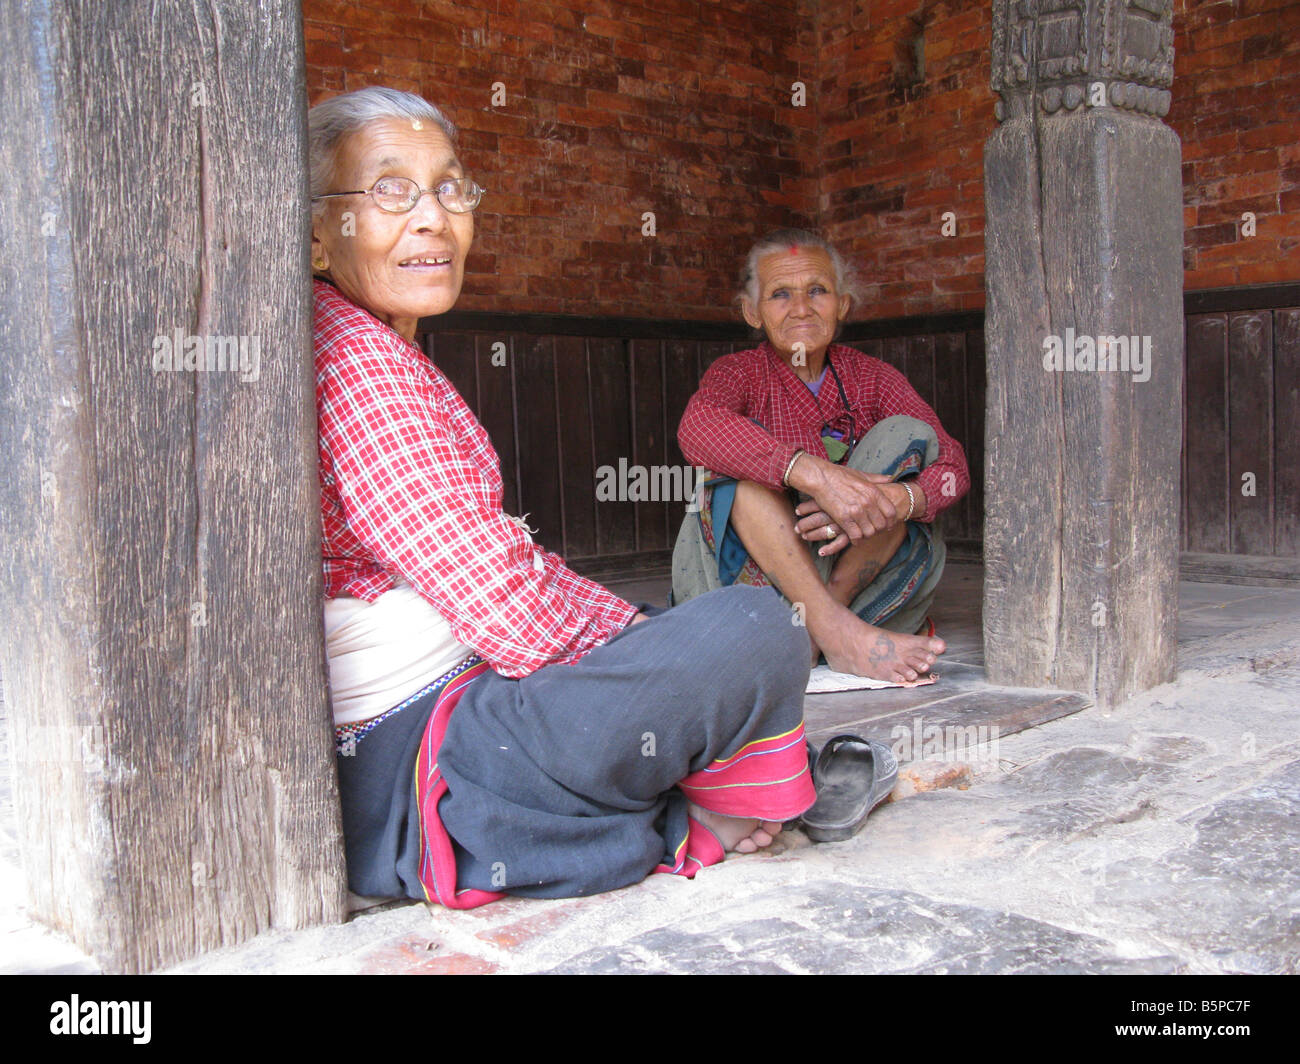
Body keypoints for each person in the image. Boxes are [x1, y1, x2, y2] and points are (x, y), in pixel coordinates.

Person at [308, 87, 816, 908]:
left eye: (449, 188)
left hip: (429, 735)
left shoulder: (359, 339)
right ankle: (683, 805)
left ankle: (662, 809)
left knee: (695, 641)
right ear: (319, 236)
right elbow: (505, 607)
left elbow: (502, 582)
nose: (432, 218)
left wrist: (641, 645)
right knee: (754, 627)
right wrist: (650, 645)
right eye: (390, 191)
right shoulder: (363, 365)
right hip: (429, 760)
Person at [672, 229, 970, 684]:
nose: (801, 308)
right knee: (736, 475)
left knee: (907, 436)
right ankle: (837, 631)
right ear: (752, 312)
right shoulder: (738, 373)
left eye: (817, 290)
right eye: (780, 294)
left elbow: (953, 467)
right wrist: (817, 478)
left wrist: (889, 502)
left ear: (842, 305)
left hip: (857, 575)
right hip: (763, 582)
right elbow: (697, 428)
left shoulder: (873, 377)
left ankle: (820, 628)